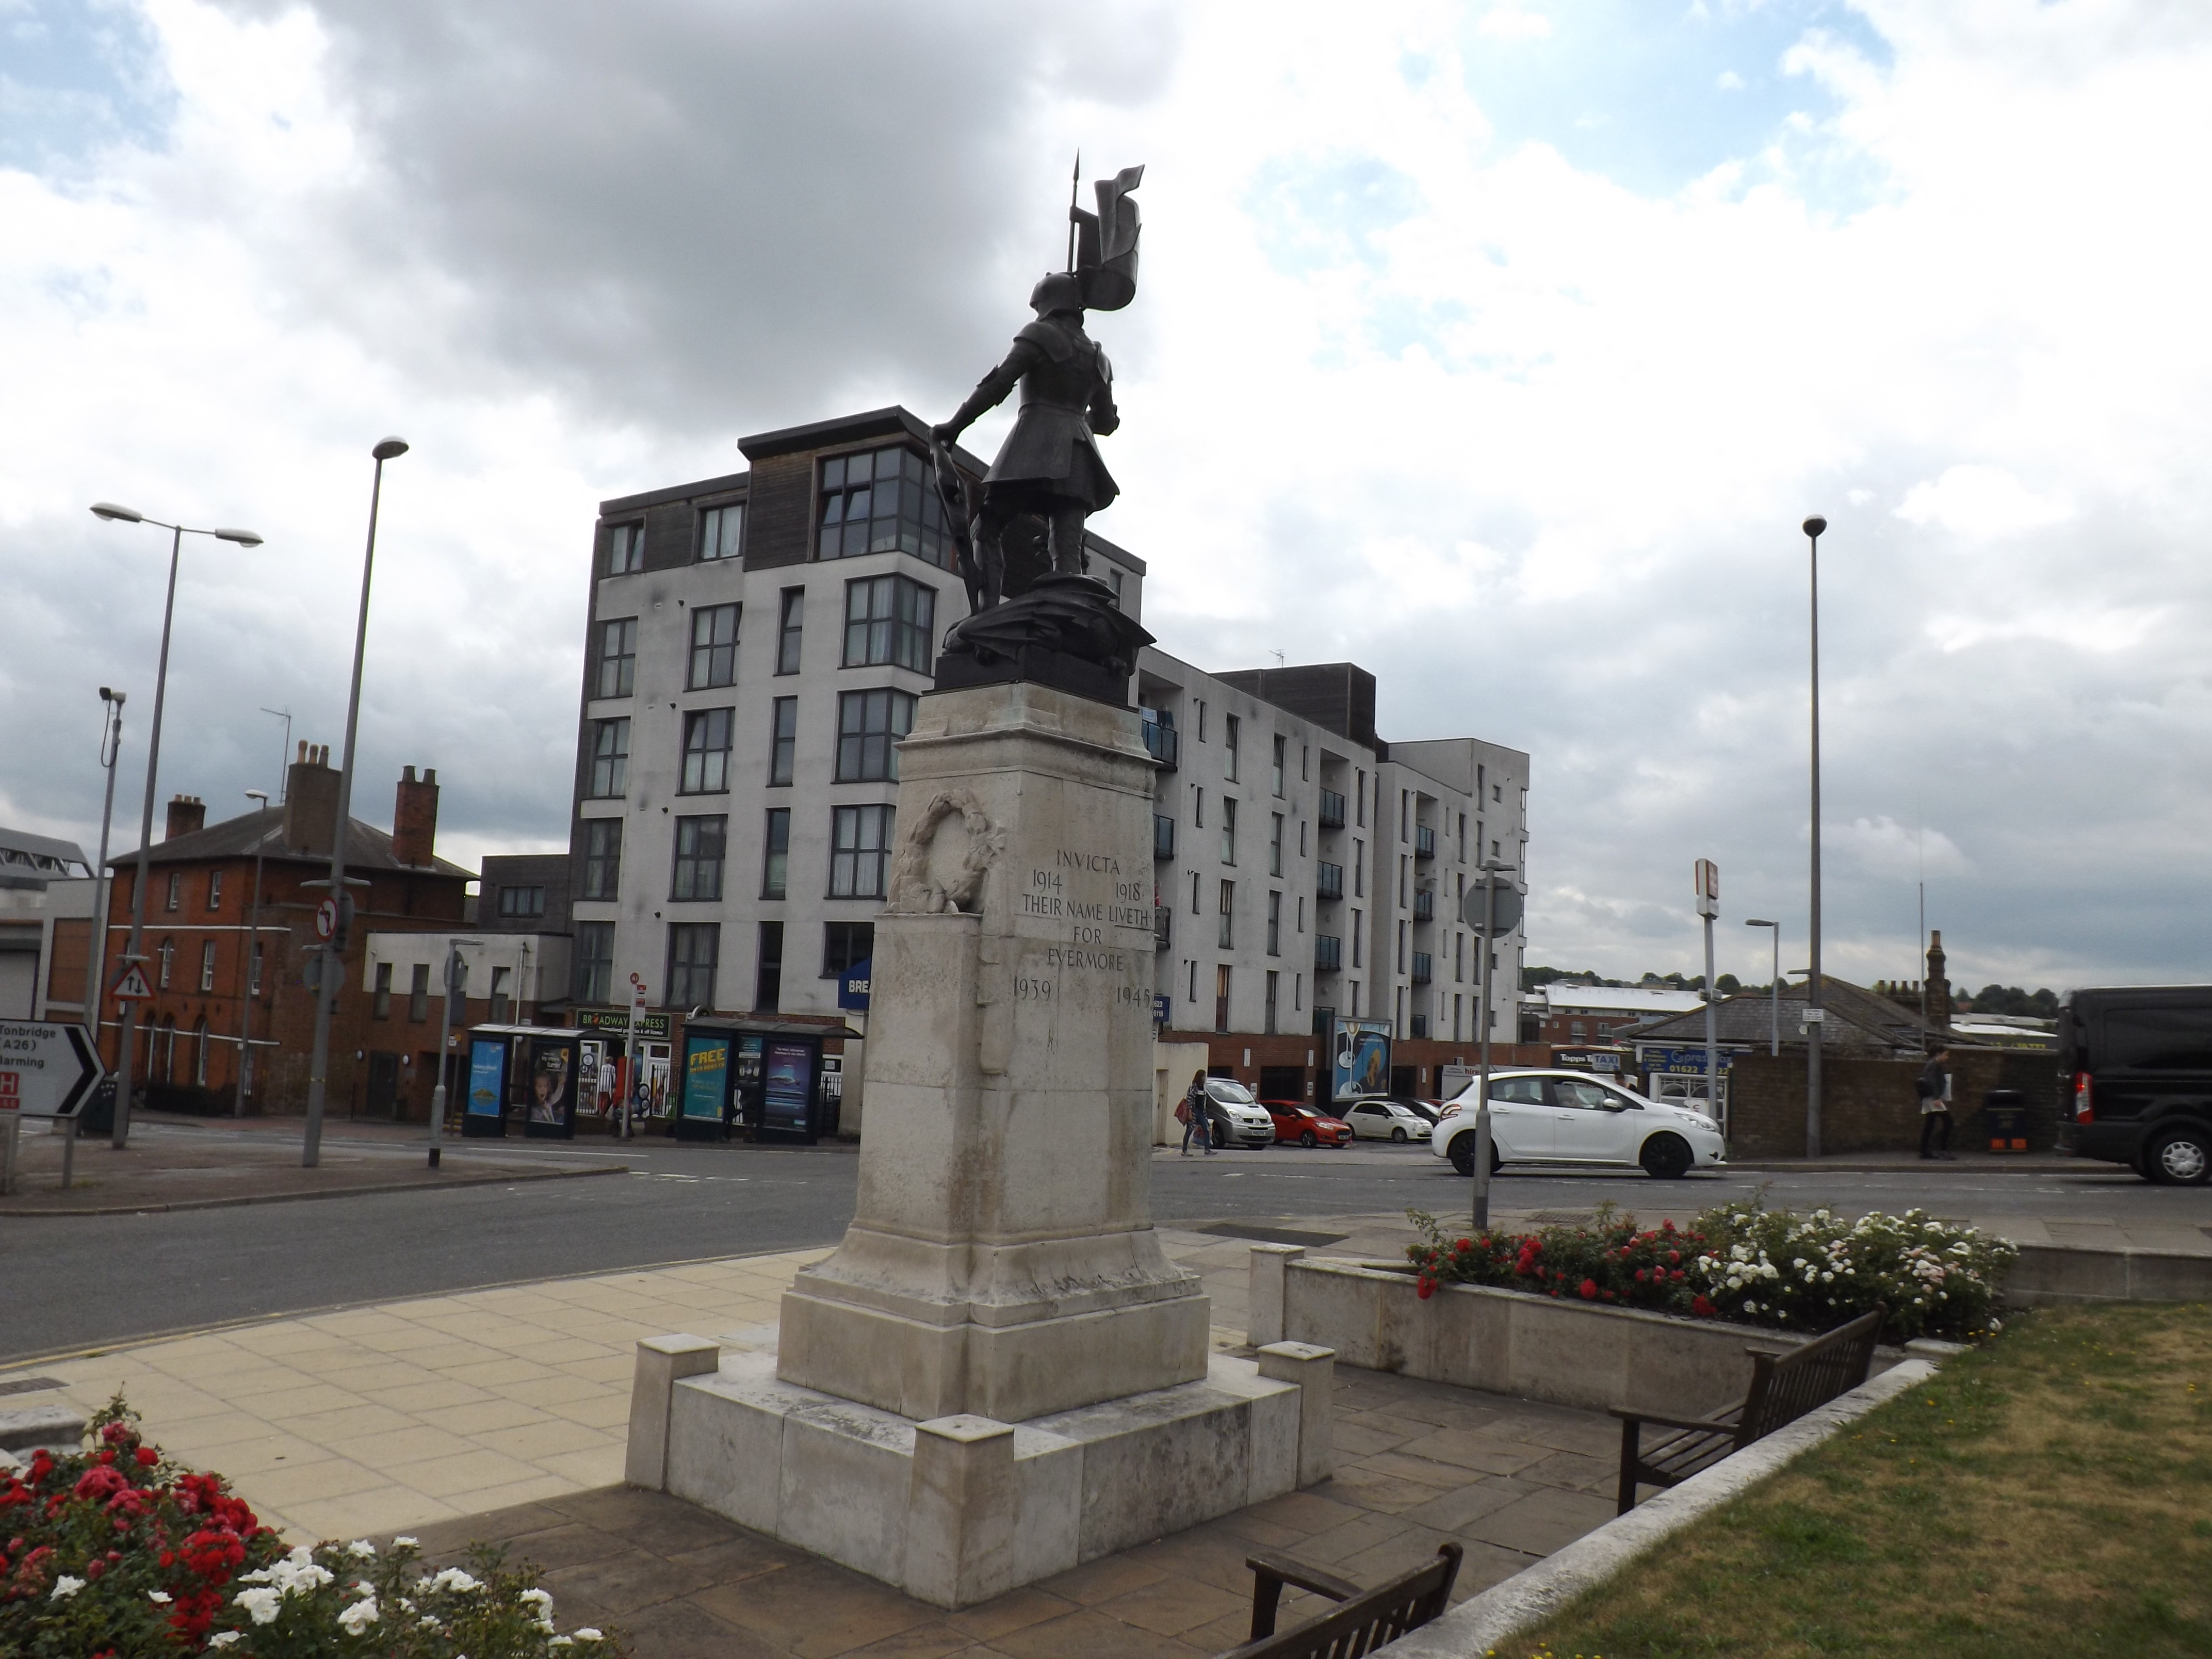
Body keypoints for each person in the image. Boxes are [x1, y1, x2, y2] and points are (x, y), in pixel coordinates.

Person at [1917, 1047, 1956, 1160]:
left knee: (1930, 1124)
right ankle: (1943, 1150)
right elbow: (1932, 1081)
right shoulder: (1934, 1065)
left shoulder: (1932, 1064)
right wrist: (1937, 1097)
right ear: (1938, 1054)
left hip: (1931, 1098)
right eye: (1945, 1055)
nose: (1947, 1057)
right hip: (1933, 1098)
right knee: (1948, 1122)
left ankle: (1924, 1151)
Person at [1179, 1069, 1214, 1156]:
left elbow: (1202, 1101)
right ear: (1199, 1077)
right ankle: (1184, 1150)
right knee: (1190, 1130)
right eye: (1203, 1076)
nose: (1204, 1078)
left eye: (1205, 1077)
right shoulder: (1194, 1087)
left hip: (1201, 1112)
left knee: (1206, 1128)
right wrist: (1190, 1112)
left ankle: (1207, 1150)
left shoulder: (1202, 1087)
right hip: (1194, 1111)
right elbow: (1190, 1099)